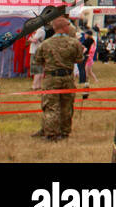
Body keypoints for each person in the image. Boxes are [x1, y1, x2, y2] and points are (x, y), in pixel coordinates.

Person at [30, 12, 84, 141]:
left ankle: (51, 132)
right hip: (67, 77)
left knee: (51, 106)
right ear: (65, 28)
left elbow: (37, 60)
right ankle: (64, 132)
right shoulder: (74, 43)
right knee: (66, 105)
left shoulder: (46, 44)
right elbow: (79, 59)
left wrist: (50, 64)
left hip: (51, 78)